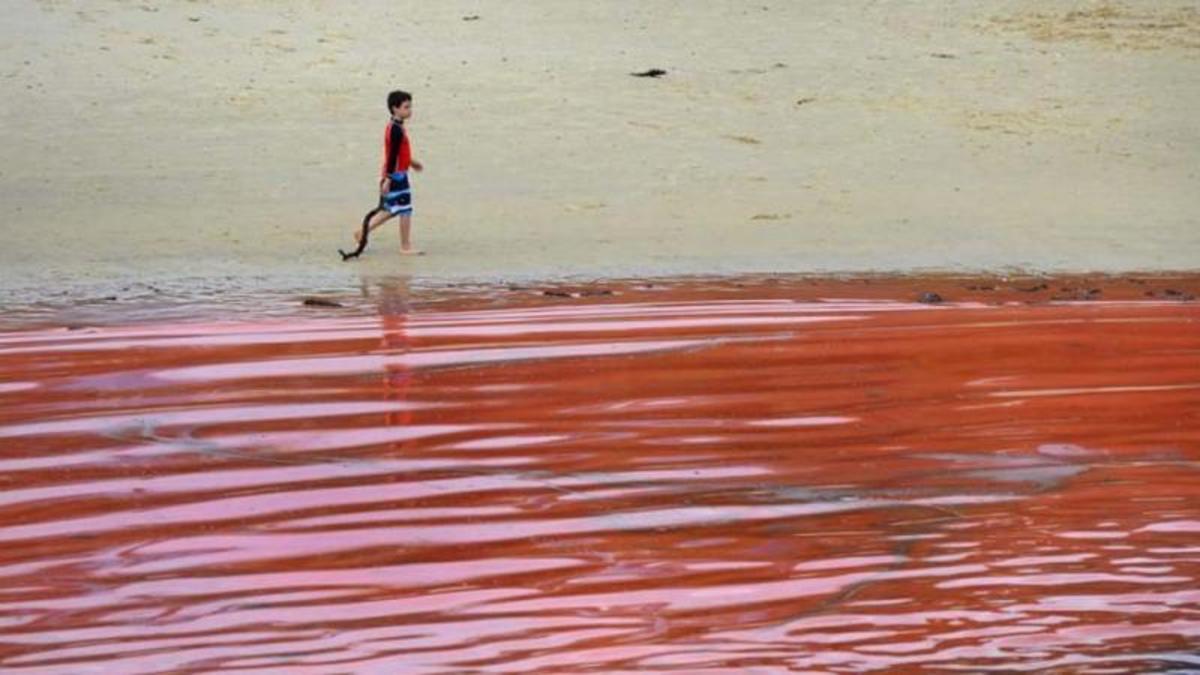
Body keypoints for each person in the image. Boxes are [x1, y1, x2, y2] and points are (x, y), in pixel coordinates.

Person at [354, 90, 425, 255]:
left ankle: (362, 232)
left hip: (397, 172)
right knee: (405, 209)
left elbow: (400, 152)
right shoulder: (395, 130)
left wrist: (412, 163)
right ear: (395, 109)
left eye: (410, 106)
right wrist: (387, 179)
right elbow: (392, 155)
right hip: (396, 175)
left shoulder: (397, 126)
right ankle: (405, 246)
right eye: (406, 107)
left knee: (392, 209)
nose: (410, 110)